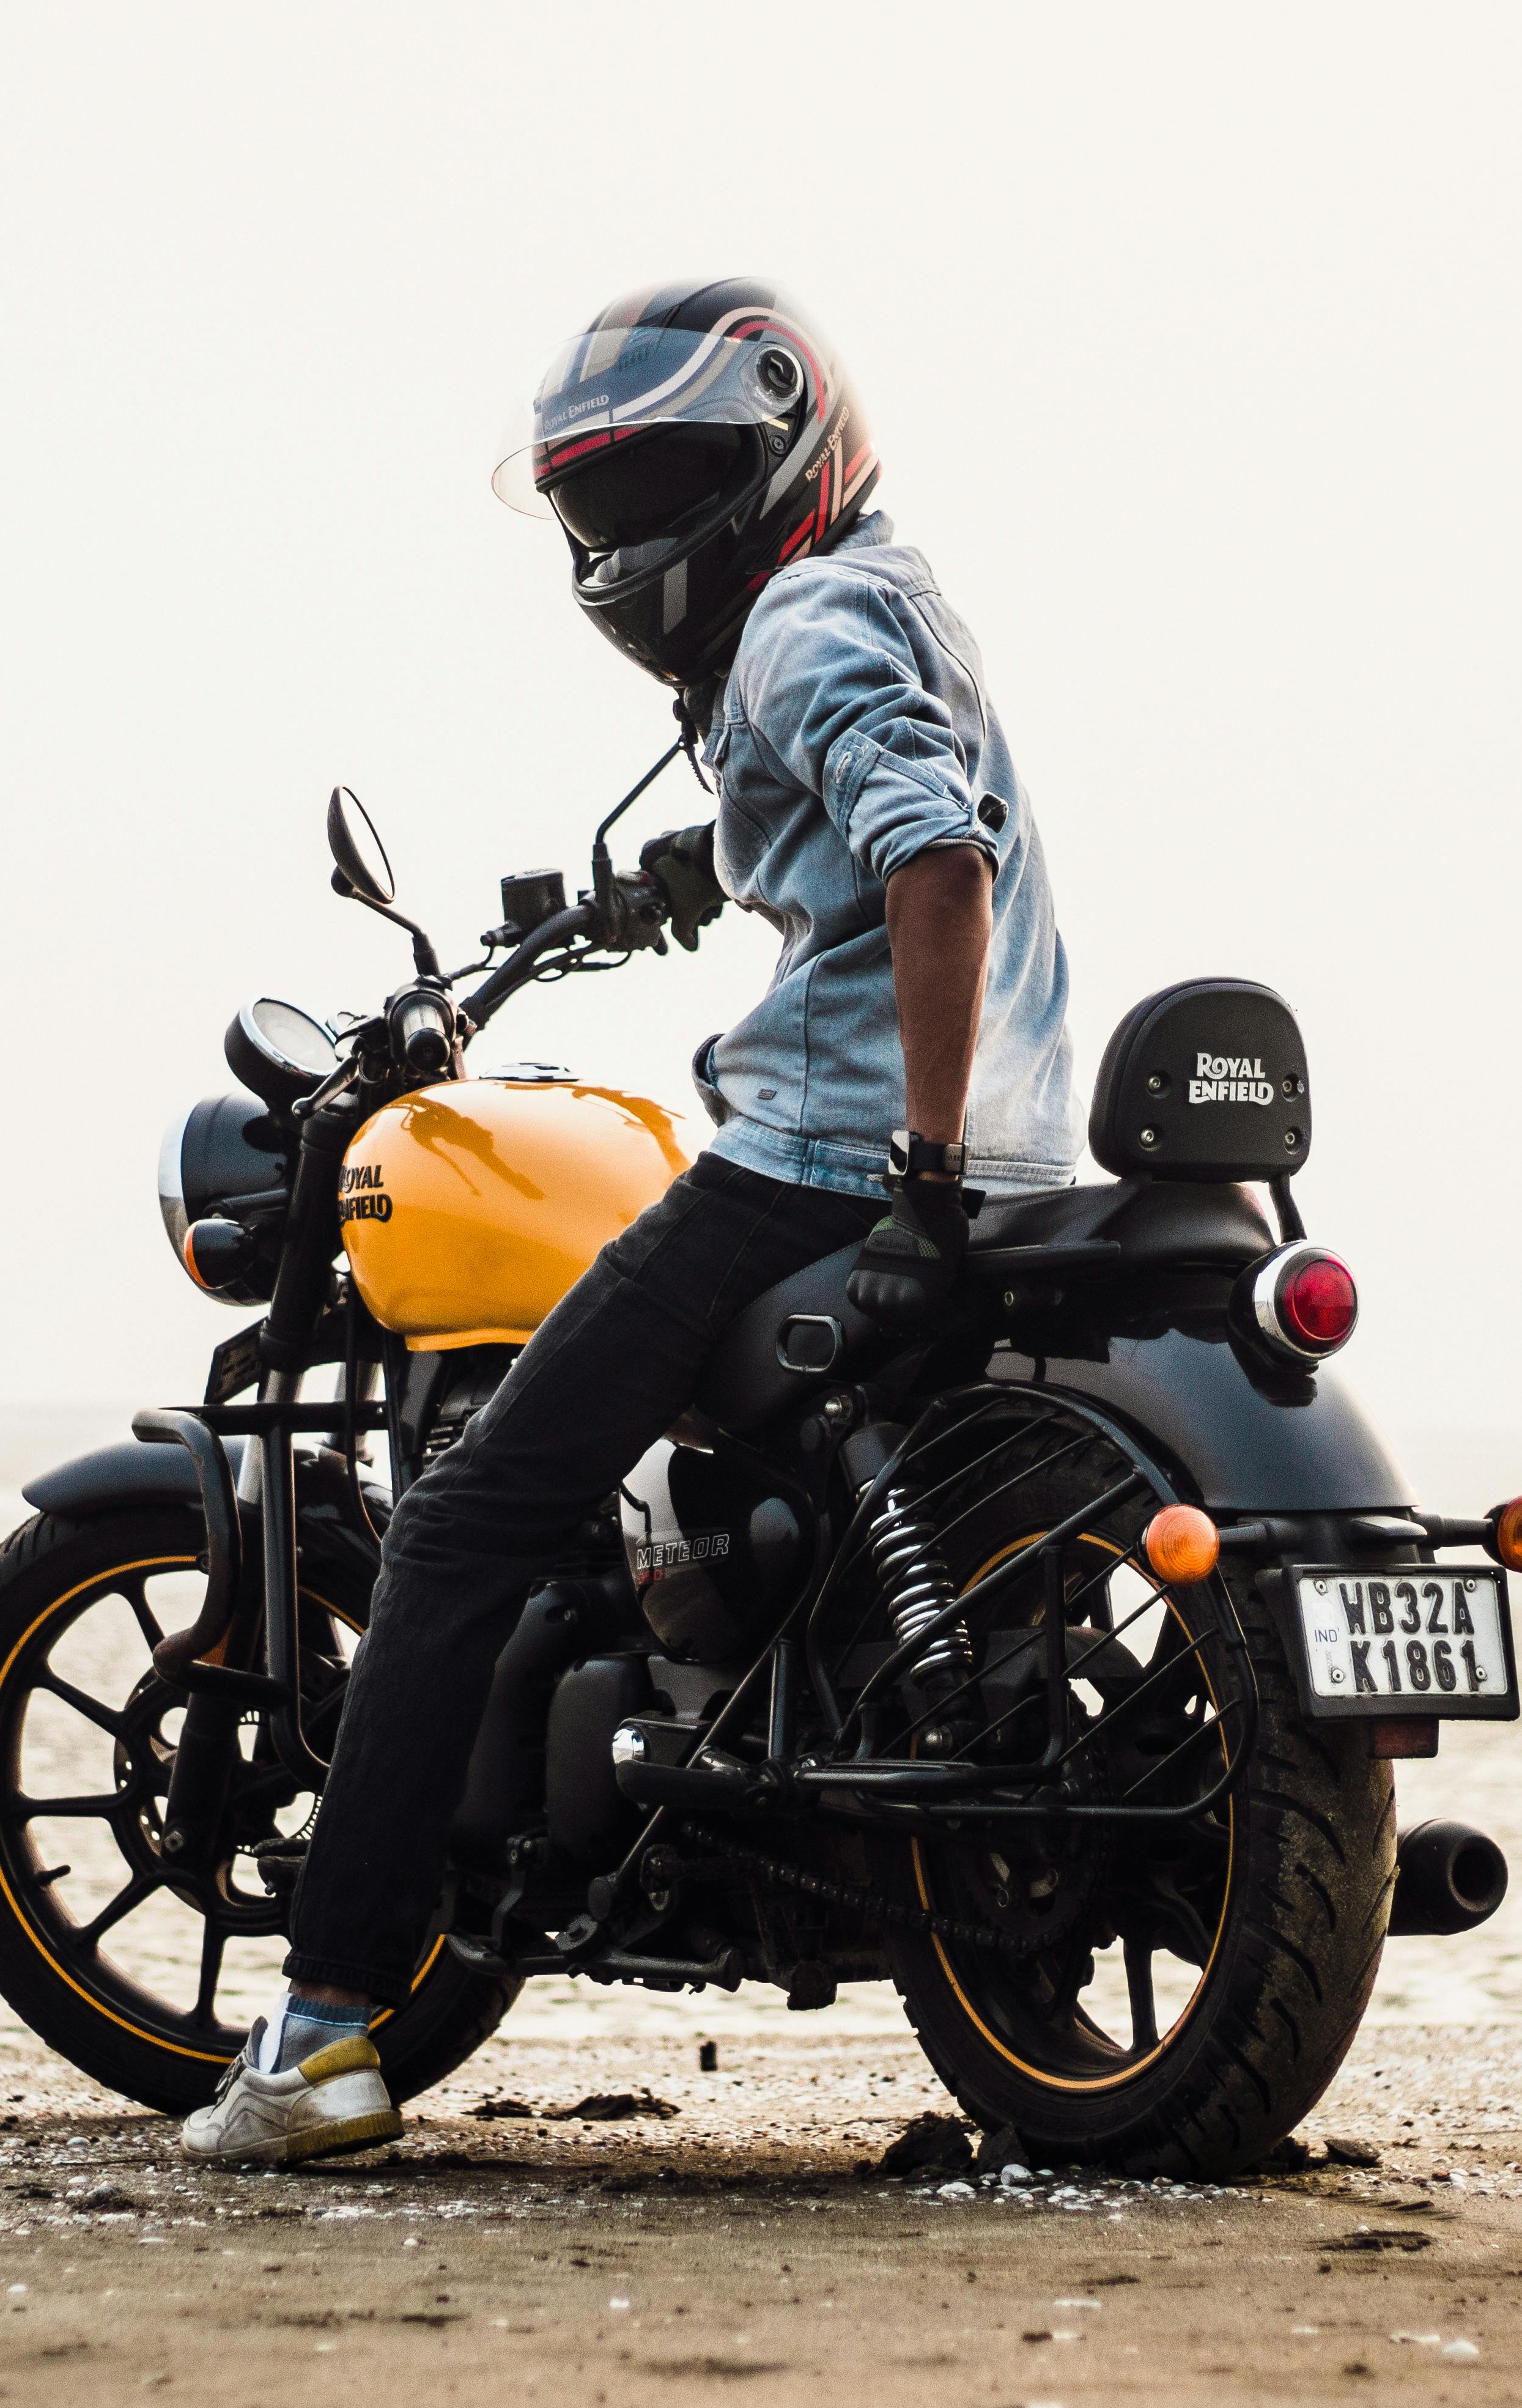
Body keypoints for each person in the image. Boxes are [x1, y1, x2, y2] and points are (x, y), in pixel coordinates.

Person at [180, 279, 1079, 2164]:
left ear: (778, 457)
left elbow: (931, 856)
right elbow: (872, 799)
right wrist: (702, 864)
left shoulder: (797, 633)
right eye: (599, 506)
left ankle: (327, 2039)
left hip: (830, 1160)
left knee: (459, 1524)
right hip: (1023, 1157)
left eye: (664, 485)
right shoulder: (886, 596)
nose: (630, 538)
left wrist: (906, 1167)